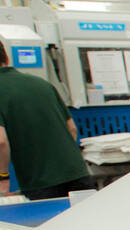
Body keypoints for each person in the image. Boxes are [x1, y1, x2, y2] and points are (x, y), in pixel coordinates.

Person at [0, 43, 94, 200]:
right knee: (89, 222)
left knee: (51, 223)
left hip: (42, 182)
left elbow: (1, 142)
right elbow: (71, 128)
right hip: (78, 173)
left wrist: (3, 177)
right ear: (8, 58)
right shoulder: (42, 83)